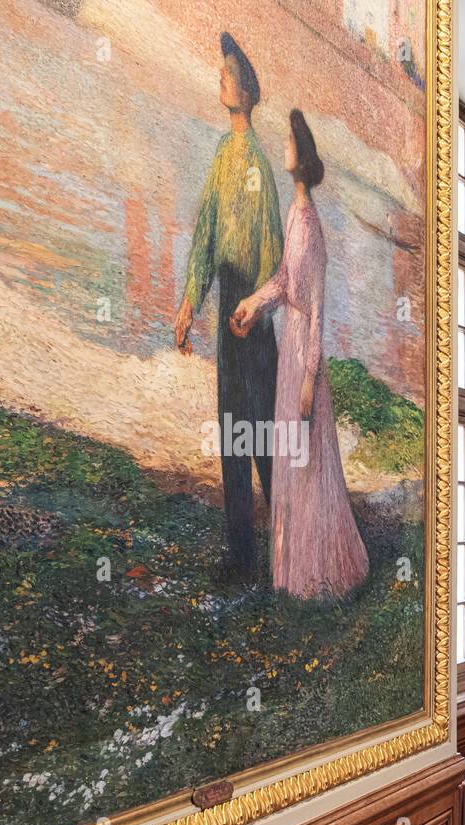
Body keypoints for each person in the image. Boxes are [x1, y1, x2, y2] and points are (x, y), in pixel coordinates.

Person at [230, 110, 368, 600]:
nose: (283, 145)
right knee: (293, 460)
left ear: (302, 156)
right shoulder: (295, 212)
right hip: (291, 346)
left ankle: (316, 574)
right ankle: (292, 575)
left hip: (302, 354)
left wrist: (311, 375)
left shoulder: (309, 223)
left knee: (308, 464)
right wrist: (252, 303)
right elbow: (286, 283)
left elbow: (314, 308)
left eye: (289, 140)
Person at [175, 33, 283, 579]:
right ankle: (241, 555)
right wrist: (189, 300)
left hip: (254, 326)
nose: (219, 78)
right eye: (220, 72)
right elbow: (204, 236)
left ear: (245, 90)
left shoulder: (259, 164)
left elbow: (274, 255)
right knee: (231, 432)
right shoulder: (221, 154)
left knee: (260, 435)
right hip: (226, 316)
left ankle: (283, 555)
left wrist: (255, 308)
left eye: (227, 73)